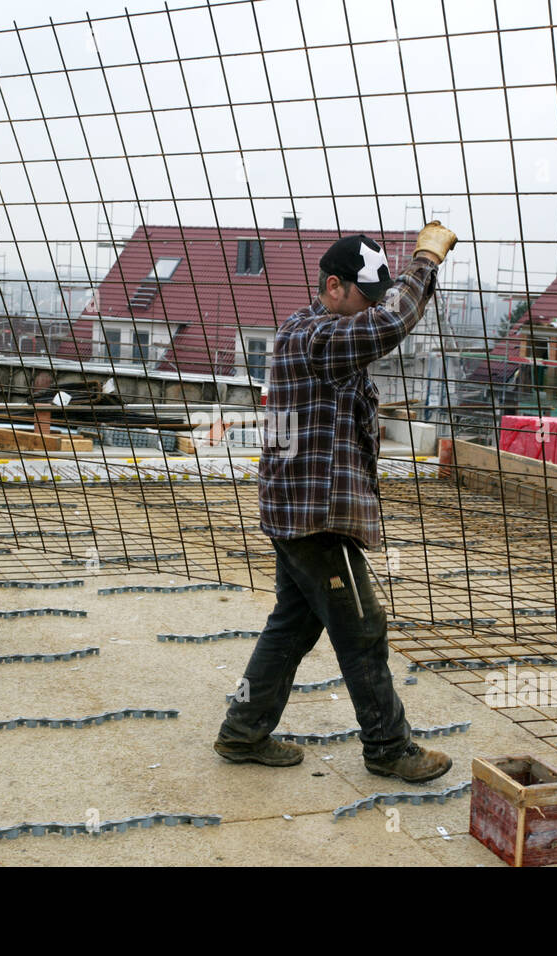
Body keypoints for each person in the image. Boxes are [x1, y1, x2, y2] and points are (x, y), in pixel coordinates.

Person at [213, 222, 459, 783]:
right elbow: (392, 322)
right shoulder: (315, 337)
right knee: (363, 627)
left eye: (373, 299)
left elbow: (378, 325)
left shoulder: (313, 331)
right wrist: (425, 261)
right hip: (313, 518)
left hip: (298, 508)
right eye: (361, 299)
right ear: (332, 286)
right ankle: (388, 747)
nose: (367, 311)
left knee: (293, 627)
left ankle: (243, 731)